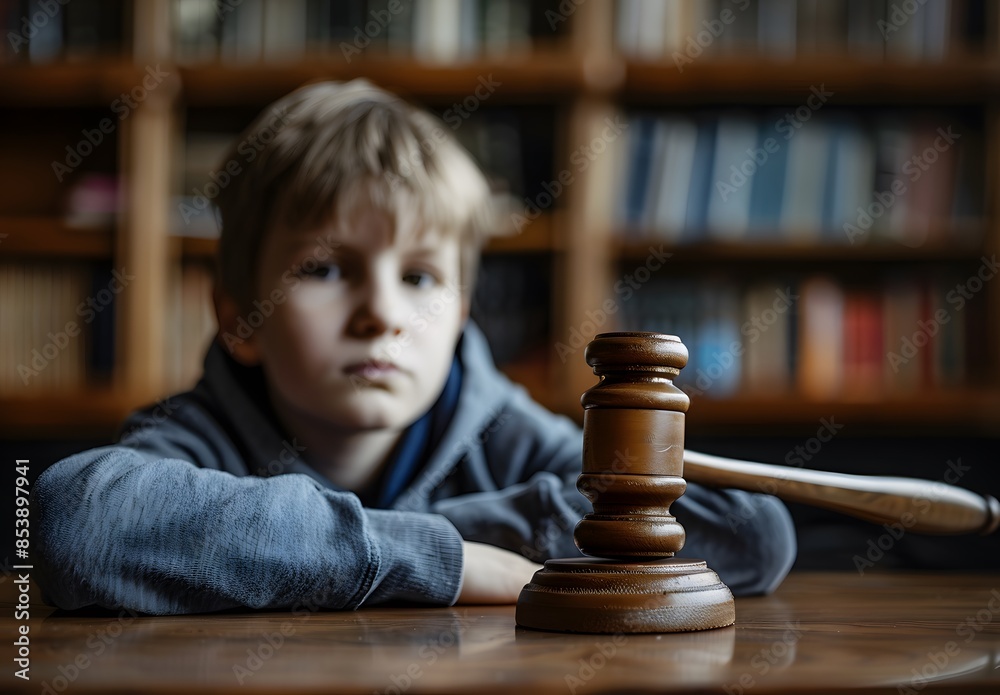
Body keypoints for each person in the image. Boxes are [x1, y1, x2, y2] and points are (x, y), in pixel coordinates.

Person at [32, 80, 795, 615]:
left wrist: (414, 538)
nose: (382, 314)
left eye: (420, 276)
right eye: (325, 269)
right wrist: (441, 558)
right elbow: (75, 526)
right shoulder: (202, 433)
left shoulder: (501, 428)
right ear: (240, 317)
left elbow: (749, 529)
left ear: (461, 313)